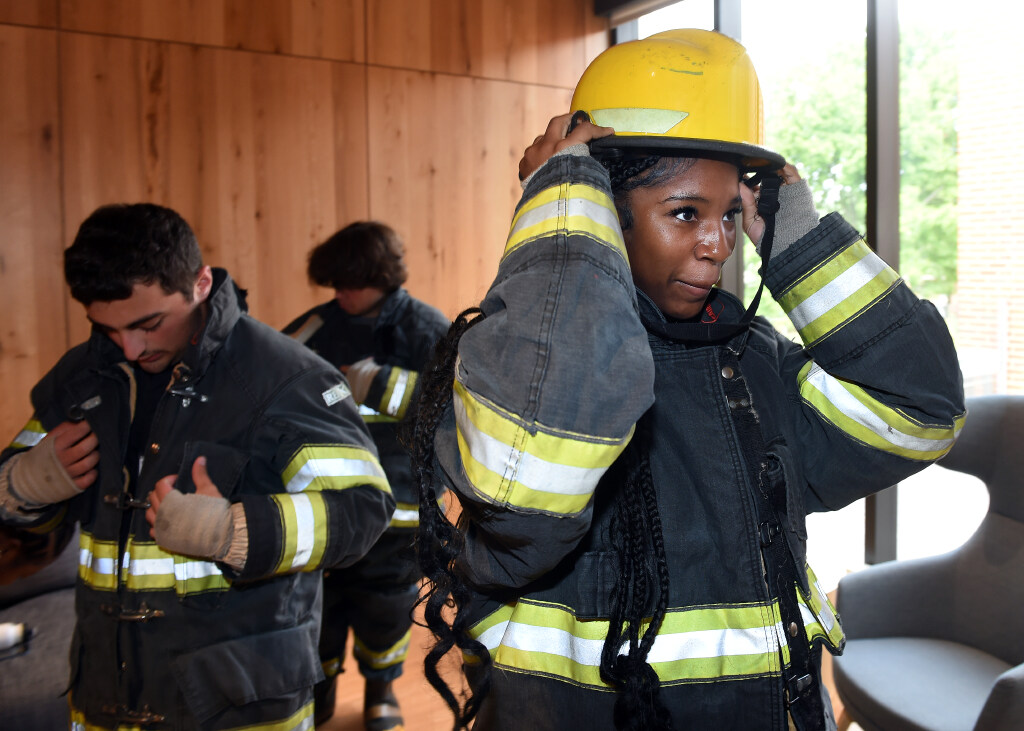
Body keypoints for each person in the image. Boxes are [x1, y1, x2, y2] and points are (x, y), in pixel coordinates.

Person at [408, 29, 966, 731]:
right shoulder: (516, 363)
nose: (718, 243)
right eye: (684, 213)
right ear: (601, 213)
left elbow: (920, 412)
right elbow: (527, 484)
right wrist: (562, 204)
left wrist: (796, 232)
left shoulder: (751, 358)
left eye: (730, 214)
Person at [0, 203, 395, 730]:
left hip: (240, 705)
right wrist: (20, 487)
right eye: (108, 329)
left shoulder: (286, 377)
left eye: (148, 324)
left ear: (201, 283)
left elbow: (362, 511)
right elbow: (26, 528)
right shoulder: (82, 376)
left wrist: (234, 532)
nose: (131, 348)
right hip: (105, 696)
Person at [283, 221, 449, 730]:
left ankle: (381, 693)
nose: (342, 295)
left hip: (400, 516)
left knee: (387, 612)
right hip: (326, 512)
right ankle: (321, 695)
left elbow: (458, 409)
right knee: (319, 614)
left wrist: (384, 386)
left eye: (351, 285)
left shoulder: (428, 329)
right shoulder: (313, 327)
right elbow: (271, 389)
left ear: (383, 277)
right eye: (334, 285)